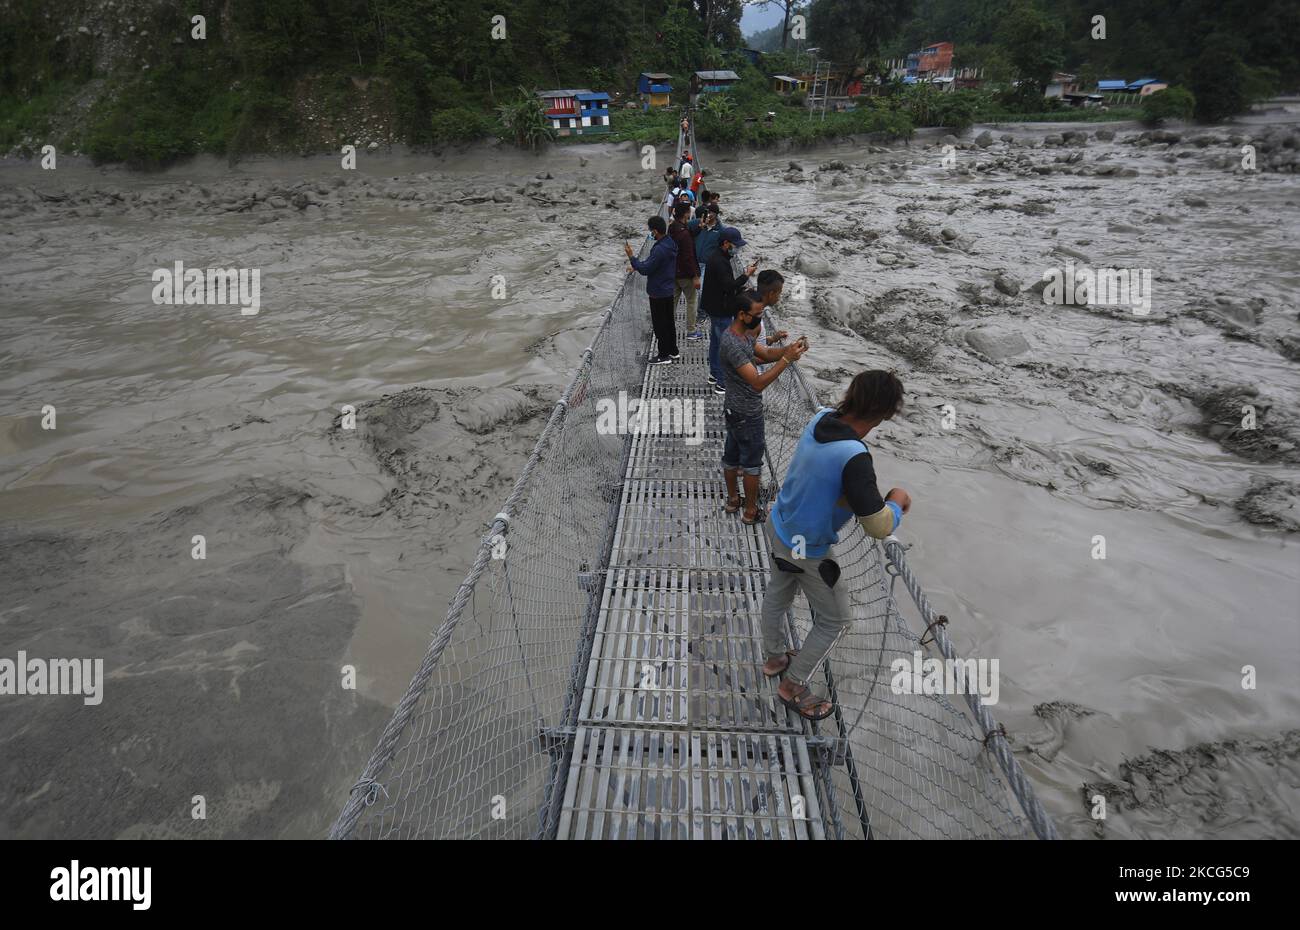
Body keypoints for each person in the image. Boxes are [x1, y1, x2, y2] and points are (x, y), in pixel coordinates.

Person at [758, 371, 912, 720]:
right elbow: (877, 525)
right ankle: (793, 686)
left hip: (779, 526)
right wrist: (897, 503)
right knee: (837, 620)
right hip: (807, 547)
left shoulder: (821, 417)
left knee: (777, 593)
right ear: (885, 414)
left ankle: (774, 659)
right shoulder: (854, 456)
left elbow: (826, 478)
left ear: (852, 395)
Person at [719, 294, 806, 525]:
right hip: (747, 414)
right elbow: (757, 383)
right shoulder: (733, 344)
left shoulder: (742, 335)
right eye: (757, 315)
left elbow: (765, 354)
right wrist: (786, 360)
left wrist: (788, 350)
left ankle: (732, 500)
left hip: (733, 410)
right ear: (742, 315)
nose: (759, 319)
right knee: (752, 465)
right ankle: (750, 511)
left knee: (732, 457)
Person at [700, 226, 756, 392]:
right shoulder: (720, 262)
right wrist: (746, 275)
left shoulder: (717, 257)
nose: (737, 248)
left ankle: (714, 374)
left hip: (713, 306)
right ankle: (722, 383)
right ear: (726, 243)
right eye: (735, 245)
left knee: (716, 343)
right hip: (721, 309)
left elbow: (723, 285)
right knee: (726, 346)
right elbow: (728, 286)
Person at [624, 215, 680, 364]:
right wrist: (636, 266)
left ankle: (663, 355)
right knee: (669, 322)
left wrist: (632, 257)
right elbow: (652, 264)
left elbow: (646, 269)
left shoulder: (659, 249)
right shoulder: (670, 242)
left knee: (660, 324)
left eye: (651, 231)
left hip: (658, 292)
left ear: (655, 231)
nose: (650, 233)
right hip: (668, 289)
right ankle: (673, 351)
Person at [668, 203, 702, 342]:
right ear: (686, 214)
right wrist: (695, 276)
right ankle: (691, 331)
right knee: (691, 301)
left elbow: (686, 234)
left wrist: (698, 229)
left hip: (673, 271)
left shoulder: (672, 227)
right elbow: (689, 257)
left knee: (672, 302)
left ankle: (668, 329)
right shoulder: (685, 234)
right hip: (686, 275)